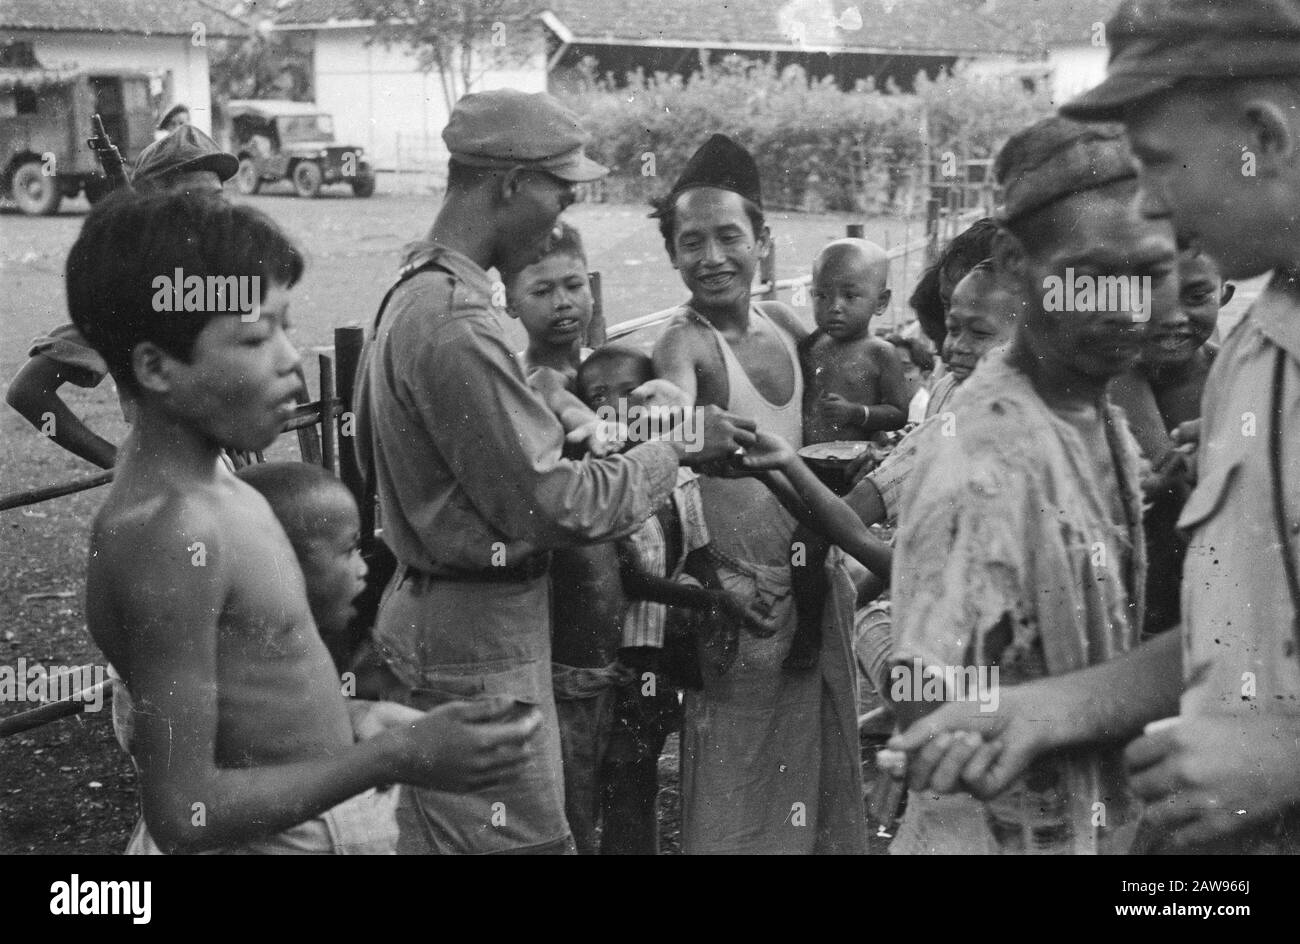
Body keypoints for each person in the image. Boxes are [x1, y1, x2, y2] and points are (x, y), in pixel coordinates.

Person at [68, 191, 539, 855]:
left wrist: (363, 721)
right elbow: (186, 811)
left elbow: (257, 713)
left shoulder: (217, 489)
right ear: (155, 367)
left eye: (287, 326)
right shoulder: (169, 533)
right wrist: (393, 759)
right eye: (258, 336)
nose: (292, 359)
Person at [354, 92, 756, 855]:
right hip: (476, 639)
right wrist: (678, 445)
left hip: (453, 615)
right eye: (559, 192)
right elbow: (556, 507)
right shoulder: (455, 326)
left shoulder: (418, 294)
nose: (562, 214)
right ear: (508, 185)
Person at [885, 117, 1180, 854]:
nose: (1121, 308)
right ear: (1017, 263)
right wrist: (1000, 712)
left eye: (1143, 275)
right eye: (1088, 277)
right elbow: (917, 685)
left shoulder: (1092, 411)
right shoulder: (985, 455)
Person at [1062, 0, 1300, 852]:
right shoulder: (1254, 349)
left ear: (1264, 138)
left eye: (1159, 164)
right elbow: (1233, 631)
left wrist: (1287, 756)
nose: (1152, 207)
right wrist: (1041, 710)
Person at [650, 133, 868, 853]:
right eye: (691, 242)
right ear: (672, 253)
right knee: (733, 786)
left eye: (728, 237)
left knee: (810, 770)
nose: (712, 258)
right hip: (743, 602)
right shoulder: (685, 343)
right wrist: (665, 413)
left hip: (810, 585)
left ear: (763, 241)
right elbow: (669, 414)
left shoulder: (787, 325)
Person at [6, 126, 239, 468]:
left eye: (217, 197)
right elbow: (27, 391)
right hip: (174, 479)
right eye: (193, 199)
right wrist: (116, 462)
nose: (212, 213)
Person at [1109, 249, 1233, 635]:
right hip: (1121, 617)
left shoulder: (1235, 381)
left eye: (1195, 298)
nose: (1173, 317)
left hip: (1214, 616)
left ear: (1223, 295)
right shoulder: (1095, 383)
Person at [887, 334, 935, 425]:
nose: (894, 375)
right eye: (889, 368)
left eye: (905, 369)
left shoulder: (931, 414)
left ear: (925, 375)